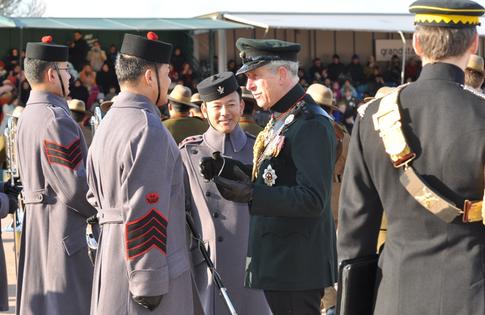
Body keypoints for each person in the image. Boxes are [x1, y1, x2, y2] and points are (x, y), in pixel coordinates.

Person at [337, 1, 485, 314]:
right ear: (474, 44)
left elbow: (354, 236)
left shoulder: (373, 118)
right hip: (474, 293)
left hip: (395, 295)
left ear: (416, 43)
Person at [200, 38, 337, 315]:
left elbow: (313, 199)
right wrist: (227, 169)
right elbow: (275, 176)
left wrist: (253, 194)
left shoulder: (310, 123)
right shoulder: (283, 117)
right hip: (280, 263)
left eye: (254, 77)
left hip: (296, 267)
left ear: (282, 75)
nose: (248, 86)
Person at [86, 31, 194, 315]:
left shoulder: (109, 120)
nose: (170, 82)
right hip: (145, 272)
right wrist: (149, 280)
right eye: (167, 74)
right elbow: (148, 208)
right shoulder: (147, 128)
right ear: (149, 76)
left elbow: (91, 193)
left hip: (112, 256)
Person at [15, 35, 96, 315]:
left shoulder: (27, 116)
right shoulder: (55, 119)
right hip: (63, 236)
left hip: (38, 230)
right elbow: (75, 187)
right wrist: (104, 210)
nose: (71, 77)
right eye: (66, 70)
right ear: (52, 73)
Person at [180, 71, 271, 315]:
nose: (224, 112)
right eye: (217, 106)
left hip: (253, 265)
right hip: (208, 268)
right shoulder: (188, 153)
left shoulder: (260, 149)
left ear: (242, 106)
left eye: (231, 104)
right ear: (203, 110)